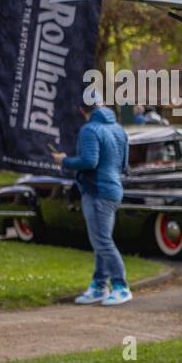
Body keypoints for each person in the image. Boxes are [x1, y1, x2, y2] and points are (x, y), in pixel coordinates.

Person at [54, 97, 132, 306]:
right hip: (114, 188)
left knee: (102, 242)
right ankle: (99, 285)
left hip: (97, 190)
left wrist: (64, 161)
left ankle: (120, 286)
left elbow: (89, 161)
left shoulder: (90, 129)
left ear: (82, 110)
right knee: (102, 240)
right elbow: (124, 164)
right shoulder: (118, 128)